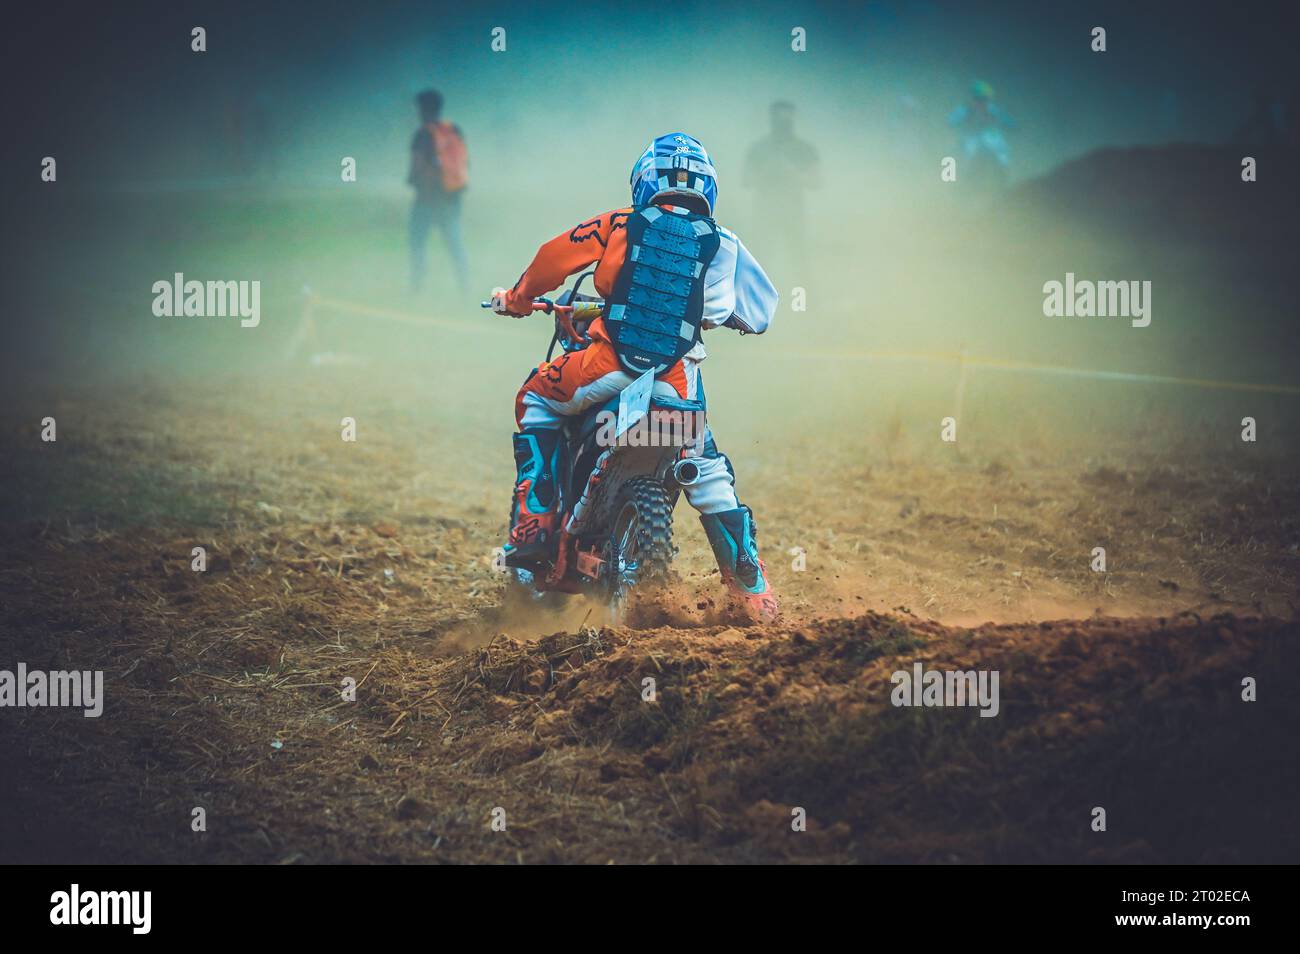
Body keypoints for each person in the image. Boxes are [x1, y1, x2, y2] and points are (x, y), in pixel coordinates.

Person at [489, 133, 779, 622]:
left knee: (536, 396)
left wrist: (518, 298)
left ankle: (534, 523)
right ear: (709, 189)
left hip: (606, 364)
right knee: (706, 471)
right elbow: (760, 313)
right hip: (676, 378)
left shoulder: (620, 223)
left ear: (644, 181)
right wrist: (720, 314)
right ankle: (753, 593)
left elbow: (550, 259)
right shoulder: (724, 243)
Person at [742, 101, 820, 275]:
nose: (783, 124)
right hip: (764, 212)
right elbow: (746, 181)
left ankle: (803, 299)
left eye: (787, 120)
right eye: (779, 120)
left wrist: (792, 173)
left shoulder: (804, 149)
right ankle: (758, 298)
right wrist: (766, 171)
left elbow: (816, 182)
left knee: (798, 259)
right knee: (760, 258)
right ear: (772, 120)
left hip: (793, 212)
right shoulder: (759, 149)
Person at [407, 89, 469, 293]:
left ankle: (416, 288)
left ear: (423, 109)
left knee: (417, 244)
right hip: (451, 199)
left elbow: (415, 168)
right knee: (455, 246)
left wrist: (412, 180)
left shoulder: (422, 134)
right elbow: (466, 164)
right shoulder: (454, 130)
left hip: (426, 200)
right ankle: (465, 288)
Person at [948, 80, 1016, 188]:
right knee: (961, 156)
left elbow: (1008, 122)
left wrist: (1014, 127)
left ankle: (1003, 180)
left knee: (1002, 152)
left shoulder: (993, 110)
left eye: (985, 99)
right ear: (972, 98)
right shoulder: (964, 110)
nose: (981, 103)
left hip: (991, 137)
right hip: (970, 138)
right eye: (978, 99)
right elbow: (950, 121)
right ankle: (959, 183)